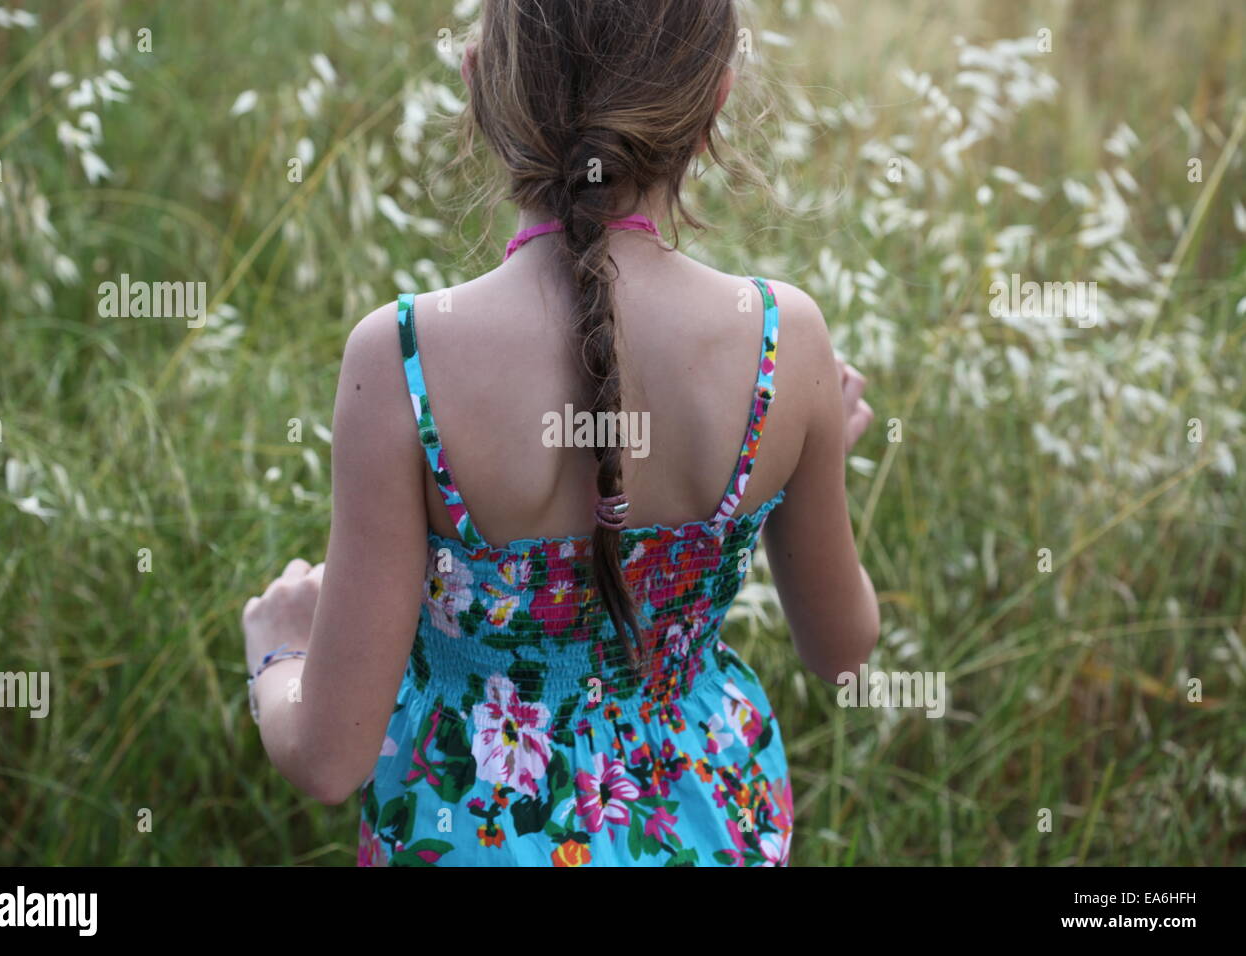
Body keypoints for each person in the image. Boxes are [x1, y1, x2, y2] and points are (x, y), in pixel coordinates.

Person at [242, 0, 879, 867]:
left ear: (479, 84)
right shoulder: (783, 339)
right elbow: (842, 652)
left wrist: (280, 649)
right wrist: (819, 449)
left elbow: (327, 759)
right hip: (702, 825)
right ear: (716, 101)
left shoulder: (402, 359)